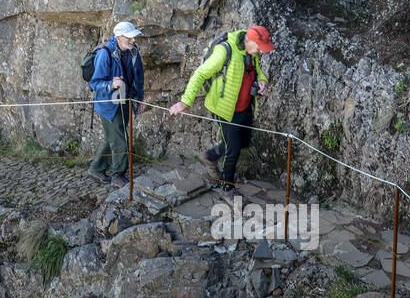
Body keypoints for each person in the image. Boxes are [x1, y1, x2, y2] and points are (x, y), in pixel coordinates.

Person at [169, 25, 275, 191]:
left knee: (244, 141)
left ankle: (210, 156)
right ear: (249, 41)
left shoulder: (250, 52)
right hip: (225, 109)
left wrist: (262, 81)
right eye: (259, 48)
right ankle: (228, 187)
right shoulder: (225, 51)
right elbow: (200, 74)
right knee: (233, 150)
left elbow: (257, 70)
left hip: (245, 107)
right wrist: (185, 102)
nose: (261, 52)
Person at [88, 21, 145, 185]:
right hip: (108, 105)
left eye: (134, 37)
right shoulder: (105, 54)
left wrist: (139, 99)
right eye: (130, 37)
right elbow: (94, 83)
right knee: (120, 140)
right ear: (119, 37)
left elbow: (139, 78)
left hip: (125, 100)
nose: (133, 40)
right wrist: (110, 84)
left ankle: (96, 169)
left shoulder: (133, 51)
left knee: (113, 137)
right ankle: (118, 175)